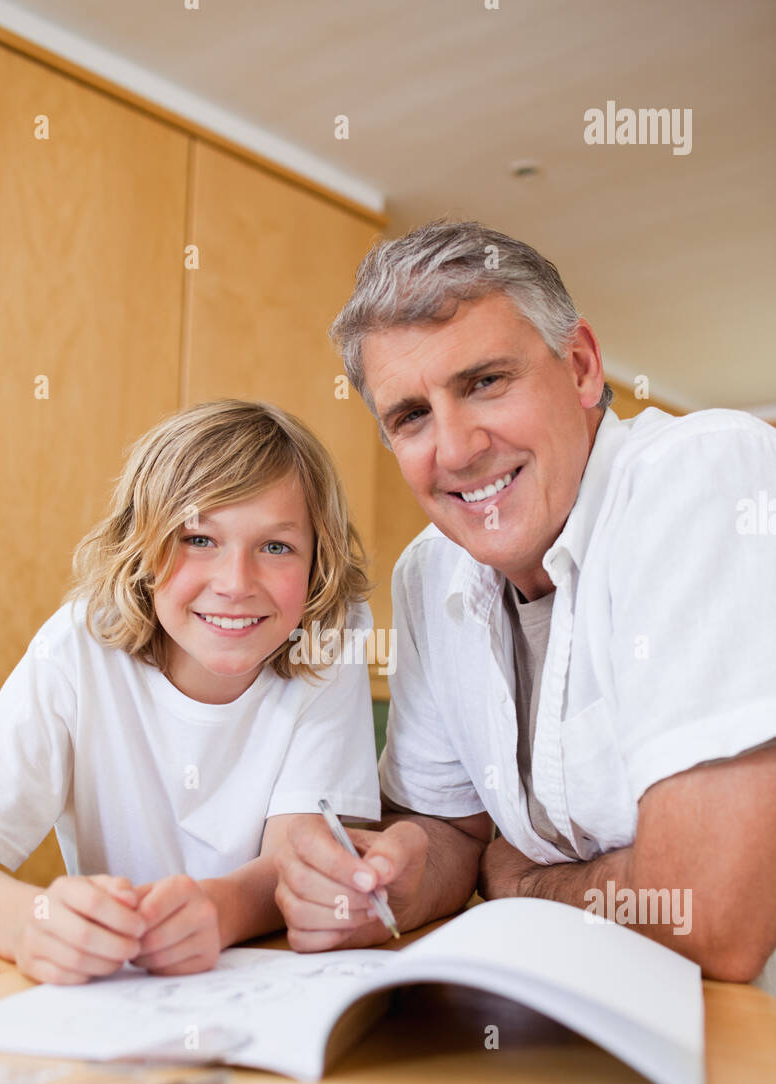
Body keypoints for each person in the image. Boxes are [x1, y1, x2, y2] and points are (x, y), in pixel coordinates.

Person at [274, 220, 776, 992]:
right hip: (594, 1016)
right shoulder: (429, 574)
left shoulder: (703, 478)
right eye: (410, 415)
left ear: (580, 367)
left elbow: (708, 917)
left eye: (483, 382)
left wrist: (518, 879)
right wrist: (399, 873)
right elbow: (453, 830)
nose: (456, 449)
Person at [0, 400, 380, 983]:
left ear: (316, 565)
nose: (235, 584)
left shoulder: (330, 640)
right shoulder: (76, 651)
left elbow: (301, 860)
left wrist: (219, 910)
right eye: (199, 539)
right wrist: (28, 921)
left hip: (275, 984)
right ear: (142, 549)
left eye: (276, 547)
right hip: (116, 993)